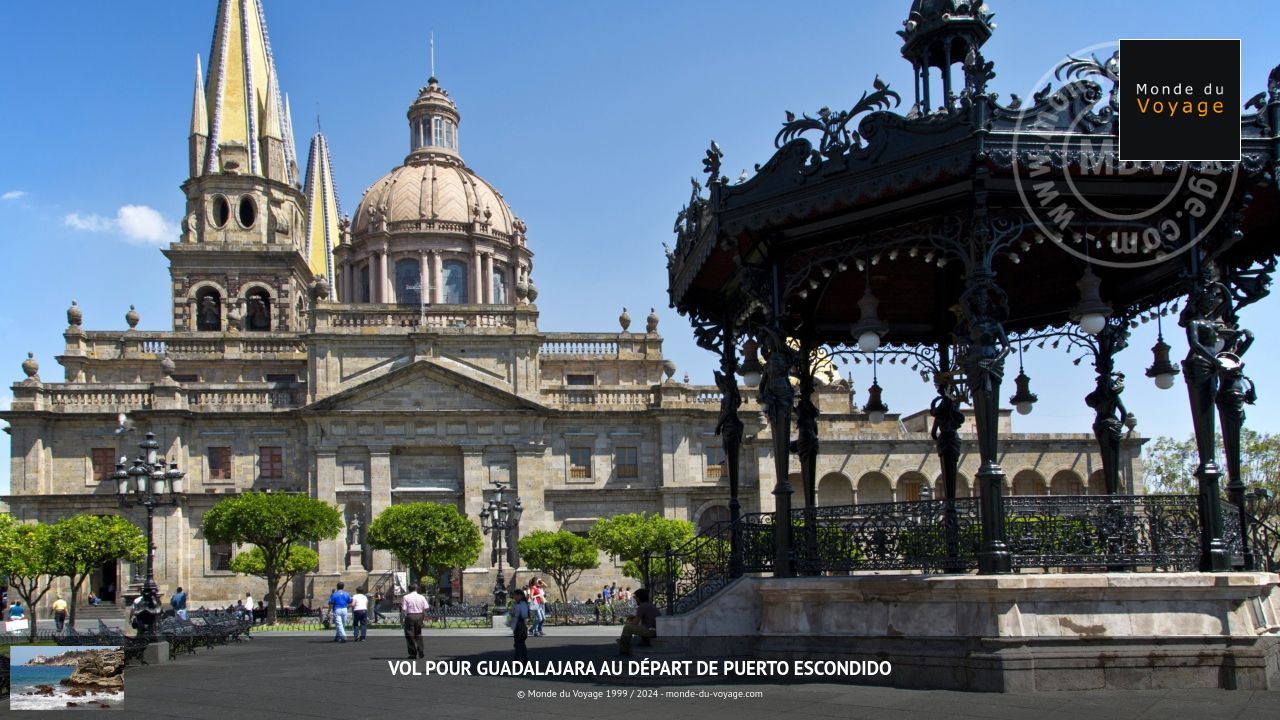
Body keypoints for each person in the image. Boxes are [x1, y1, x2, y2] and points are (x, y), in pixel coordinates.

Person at [617, 588, 659, 655]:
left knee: (627, 627)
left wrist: (629, 621)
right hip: (655, 629)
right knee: (632, 626)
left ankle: (624, 648)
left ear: (639, 598)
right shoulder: (650, 605)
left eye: (635, 597)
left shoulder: (642, 606)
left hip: (651, 630)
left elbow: (635, 622)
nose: (635, 599)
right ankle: (625, 642)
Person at [401, 583, 428, 659]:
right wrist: (423, 617)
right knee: (419, 634)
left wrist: (403, 618)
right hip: (420, 615)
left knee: (410, 635)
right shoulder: (421, 597)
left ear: (409, 589)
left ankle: (413, 653)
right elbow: (426, 607)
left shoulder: (406, 597)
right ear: (417, 589)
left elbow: (404, 609)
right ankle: (421, 650)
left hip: (410, 616)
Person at [509, 589, 530, 661]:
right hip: (516, 626)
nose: (514, 597)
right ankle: (524, 660)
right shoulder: (515, 603)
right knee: (520, 644)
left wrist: (514, 614)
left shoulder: (523, 604)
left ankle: (517, 661)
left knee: (518, 644)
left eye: (515, 595)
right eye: (514, 595)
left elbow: (524, 615)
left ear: (520, 596)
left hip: (521, 626)